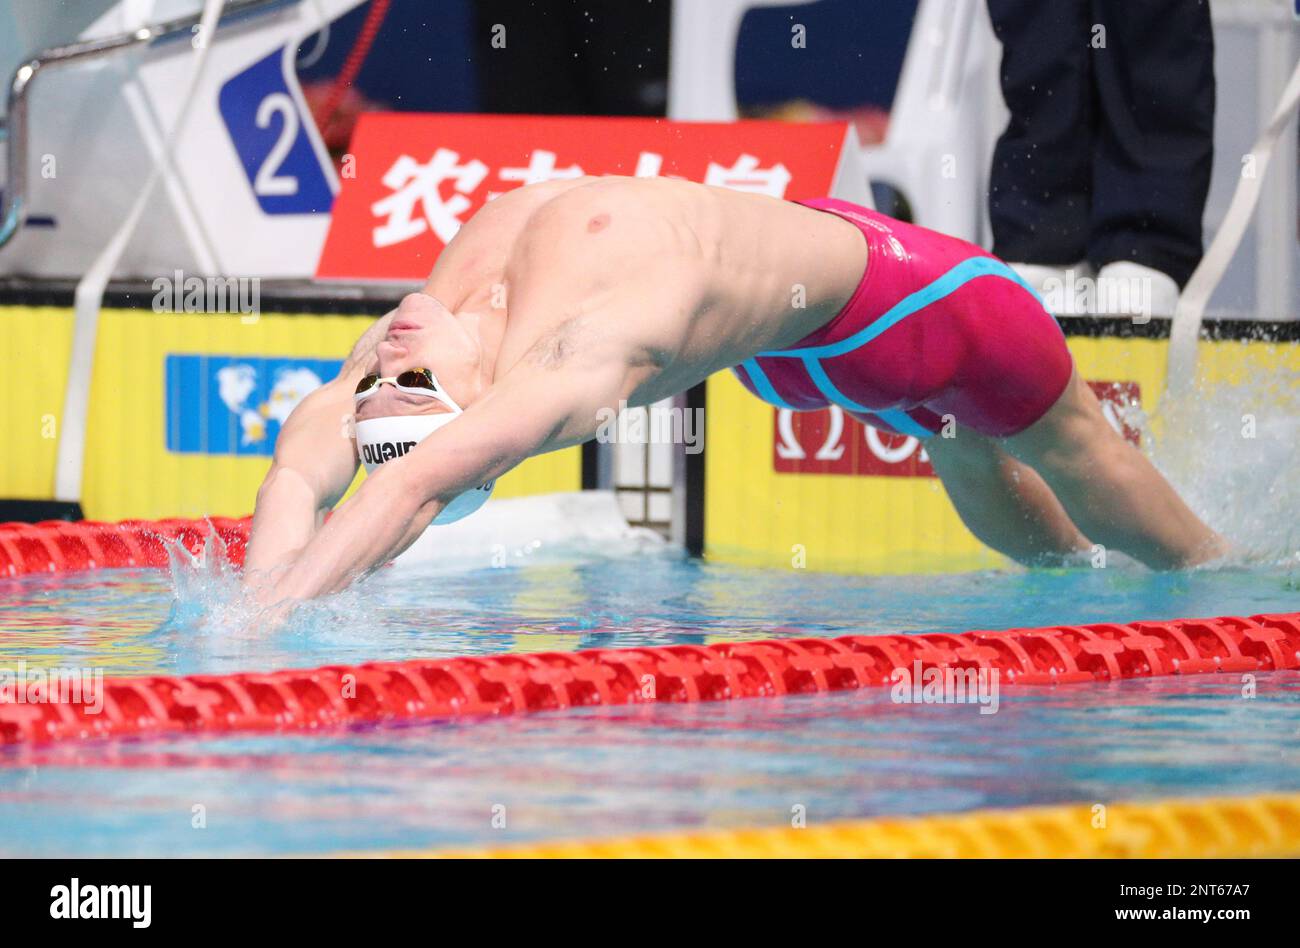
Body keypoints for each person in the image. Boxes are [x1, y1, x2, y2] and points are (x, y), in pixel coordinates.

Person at [244, 176, 1226, 604]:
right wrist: (260, 626)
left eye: (381, 379)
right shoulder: (564, 366)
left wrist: (260, 603)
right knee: (1022, 443)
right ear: (483, 411)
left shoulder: (447, 312)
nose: (387, 359)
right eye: (407, 385)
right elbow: (390, 476)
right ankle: (1151, 580)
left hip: (854, 312)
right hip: (852, 317)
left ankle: (1149, 576)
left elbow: (328, 470)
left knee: (991, 441)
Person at [986, 0, 1215, 317]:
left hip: (1149, 215)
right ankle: (1043, 230)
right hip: (1035, 219)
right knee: (1038, 23)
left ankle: (1145, 238)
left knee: (1150, 14)